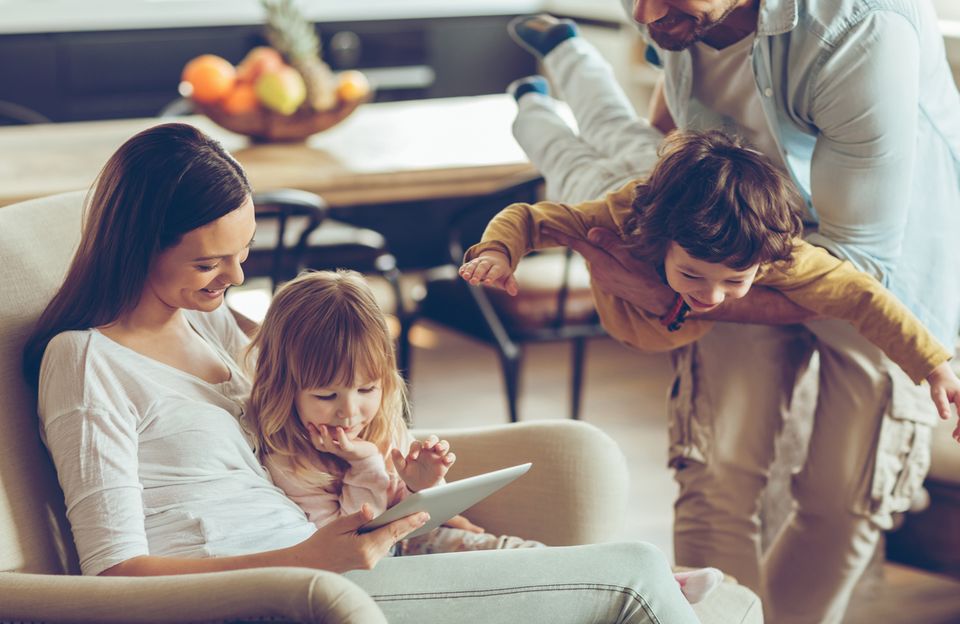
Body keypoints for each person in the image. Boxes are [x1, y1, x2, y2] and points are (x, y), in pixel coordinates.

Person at [21, 121, 708, 623]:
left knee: (639, 573)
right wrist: (306, 562)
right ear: (139, 245)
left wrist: (406, 488)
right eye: (209, 263)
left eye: (243, 253)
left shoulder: (210, 321)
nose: (234, 278)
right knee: (635, 576)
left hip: (336, 569)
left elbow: (337, 385)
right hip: (269, 597)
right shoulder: (85, 362)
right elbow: (114, 571)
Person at [504, 6, 960, 623]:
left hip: (873, 264)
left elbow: (859, 271)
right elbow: (678, 107)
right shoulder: (669, 16)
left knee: (846, 496)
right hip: (721, 238)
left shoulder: (863, 28)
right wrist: (656, 201)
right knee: (714, 474)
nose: (643, 13)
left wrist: (669, 299)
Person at [247, 268, 726, 603]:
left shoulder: (374, 423)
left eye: (366, 389)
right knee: (505, 565)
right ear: (284, 385)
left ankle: (655, 578)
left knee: (512, 551)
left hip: (416, 540)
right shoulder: (290, 459)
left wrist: (423, 485)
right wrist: (365, 462)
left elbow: (403, 506)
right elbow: (357, 539)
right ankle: (639, 580)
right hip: (387, 568)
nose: (350, 410)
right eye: (326, 394)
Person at [459, 129, 960, 427]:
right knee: (571, 151)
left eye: (733, 281)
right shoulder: (623, 217)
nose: (712, 296)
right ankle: (536, 94)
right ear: (662, 239)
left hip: (656, 181)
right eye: (692, 275)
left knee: (623, 136)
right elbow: (529, 217)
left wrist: (935, 367)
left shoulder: (781, 255)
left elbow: (864, 296)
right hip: (607, 197)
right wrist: (499, 252)